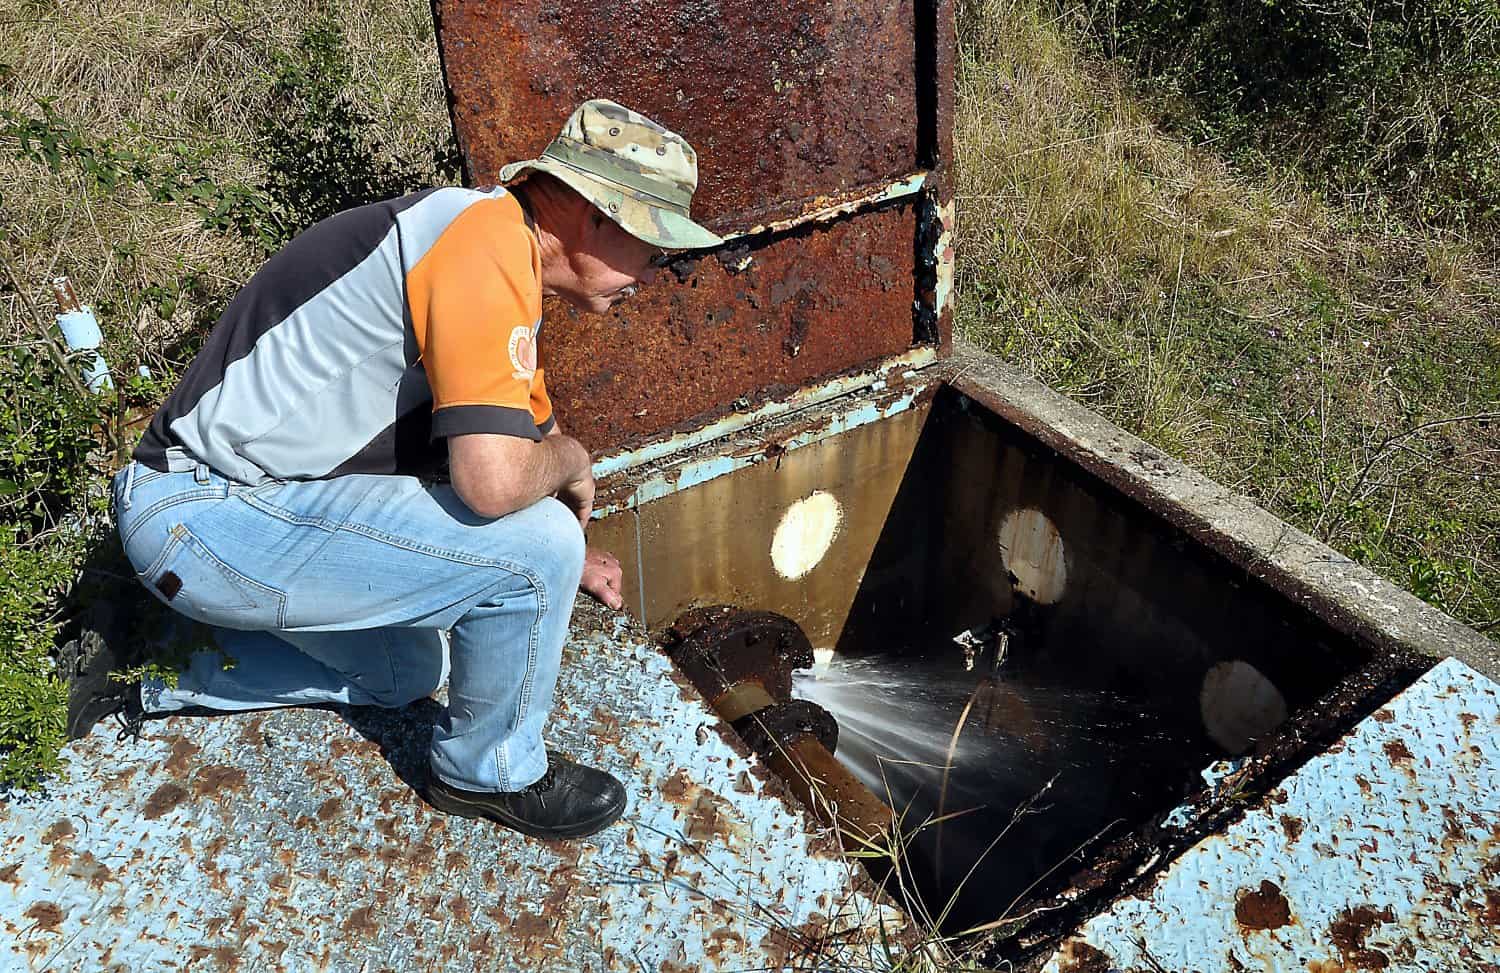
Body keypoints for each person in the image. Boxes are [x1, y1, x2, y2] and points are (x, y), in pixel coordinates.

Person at [70, 99, 724, 840]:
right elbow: (495, 481)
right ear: (591, 213)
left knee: (410, 667)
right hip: (203, 514)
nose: (656, 270)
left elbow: (529, 429)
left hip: (231, 517)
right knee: (535, 543)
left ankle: (150, 666)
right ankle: (490, 772)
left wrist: (566, 539)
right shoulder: (482, 249)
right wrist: (565, 493)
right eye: (654, 242)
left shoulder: (492, 241)